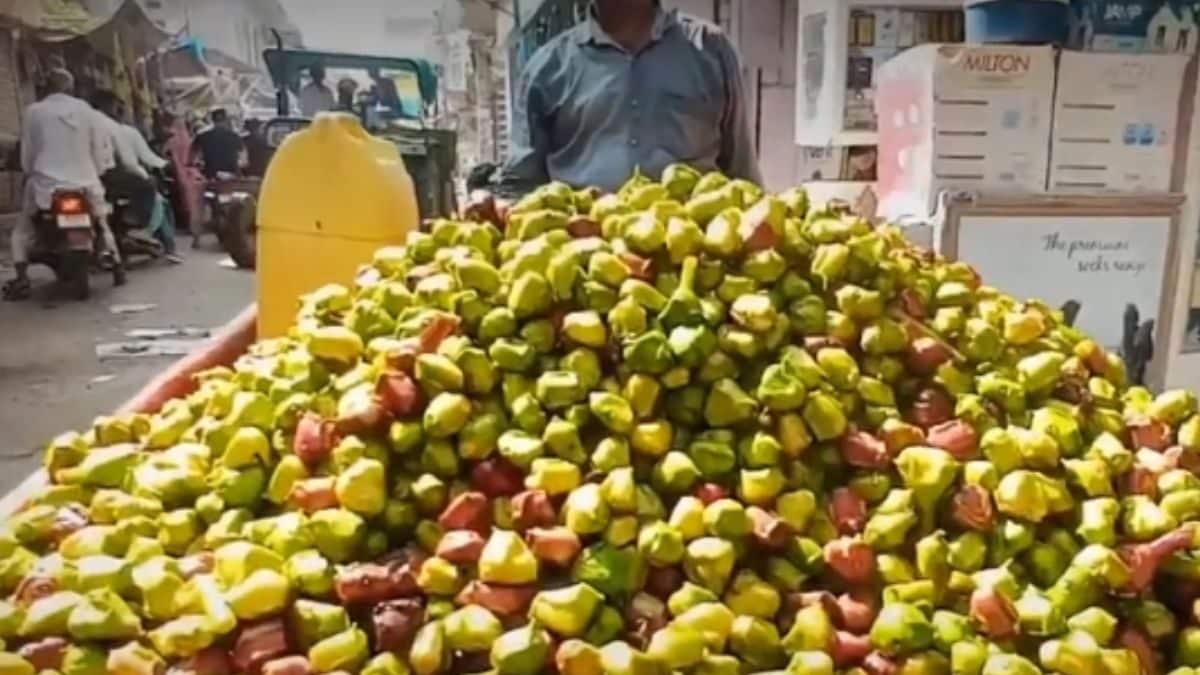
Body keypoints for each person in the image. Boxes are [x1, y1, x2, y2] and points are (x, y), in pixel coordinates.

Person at [496, 0, 760, 197]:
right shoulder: (548, 68)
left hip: (694, 256)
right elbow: (521, 185)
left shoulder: (709, 50)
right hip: (584, 258)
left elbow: (741, 171)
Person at [4, 69, 121, 300]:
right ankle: (115, 262)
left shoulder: (34, 112)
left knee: (22, 230)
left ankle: (21, 276)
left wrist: (29, 171)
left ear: (45, 88)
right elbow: (98, 148)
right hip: (85, 182)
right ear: (70, 87)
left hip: (46, 184)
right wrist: (96, 172)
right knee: (103, 223)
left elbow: (28, 151)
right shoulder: (87, 111)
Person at [93, 90, 160, 233]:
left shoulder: (86, 119)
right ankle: (134, 221)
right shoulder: (112, 126)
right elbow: (128, 161)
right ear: (110, 106)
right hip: (108, 176)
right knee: (148, 186)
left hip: (84, 177)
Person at [192, 108, 243, 180]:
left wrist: (198, 163)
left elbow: (191, 157)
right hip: (232, 175)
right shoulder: (234, 136)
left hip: (209, 175)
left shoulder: (201, 135)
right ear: (226, 119)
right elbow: (244, 160)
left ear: (212, 120)